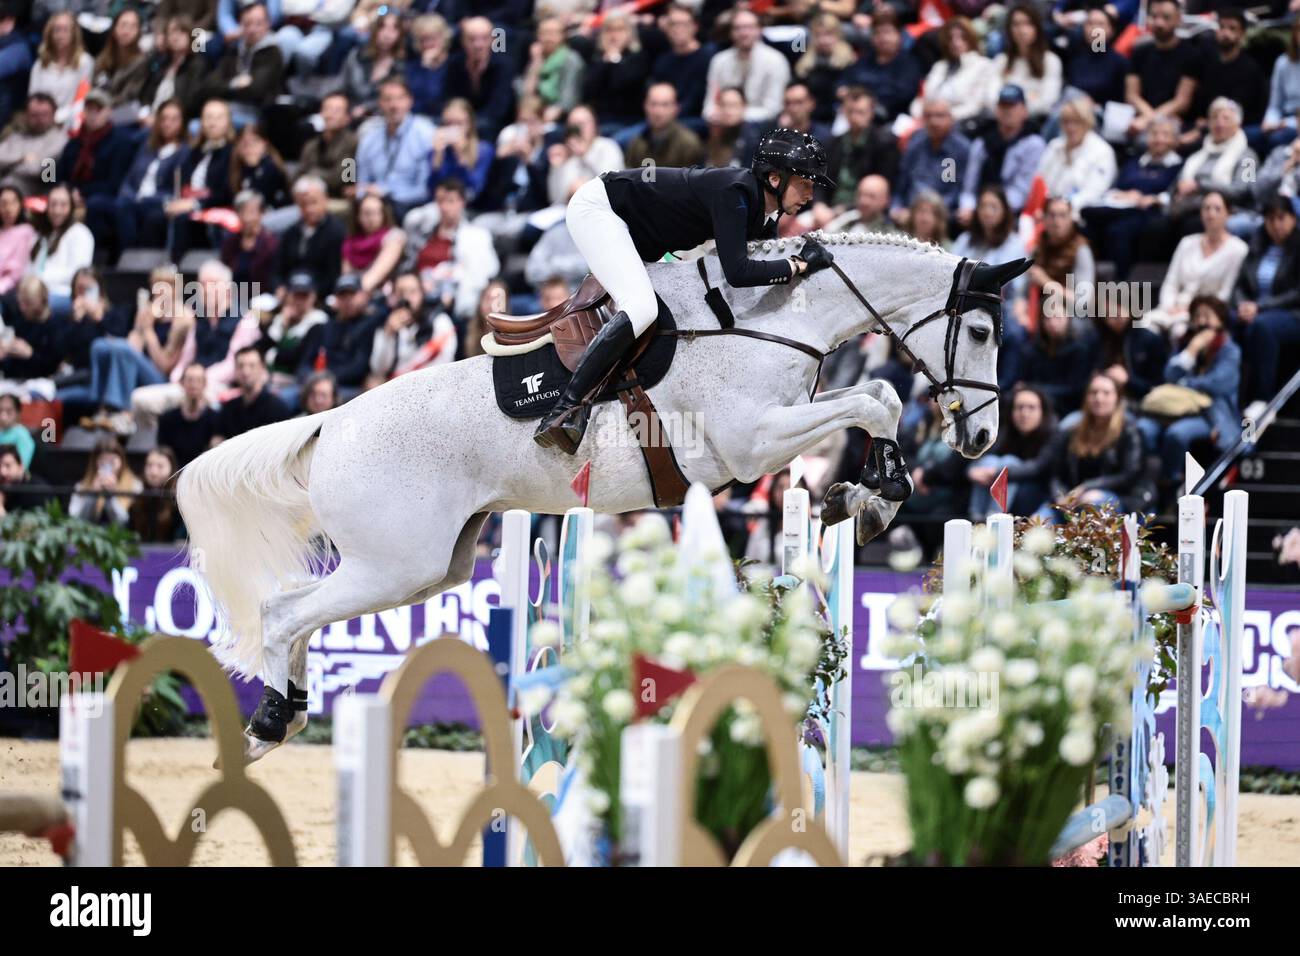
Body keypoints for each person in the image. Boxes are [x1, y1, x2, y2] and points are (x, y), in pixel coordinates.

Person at [532, 128, 837, 454]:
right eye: (805, 183)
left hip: (636, 230)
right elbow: (739, 273)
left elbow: (763, 265)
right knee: (641, 308)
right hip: (600, 210)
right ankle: (564, 410)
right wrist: (798, 265)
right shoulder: (735, 194)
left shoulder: (762, 209)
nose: (810, 194)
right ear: (775, 179)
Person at [1135, 296, 1240, 493]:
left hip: (1209, 413)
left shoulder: (1229, 350)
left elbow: (1219, 384)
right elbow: (1169, 375)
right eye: (1197, 316)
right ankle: (1141, 484)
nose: (1201, 321)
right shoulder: (1186, 344)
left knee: (1177, 434)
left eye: (1207, 316)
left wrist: (1185, 383)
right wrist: (1191, 351)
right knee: (1142, 428)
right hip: (1172, 410)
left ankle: (1171, 483)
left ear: (1221, 319)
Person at [1081, 115, 1183, 278]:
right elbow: (1115, 188)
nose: (1159, 139)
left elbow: (1176, 195)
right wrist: (1124, 194)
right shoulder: (1133, 162)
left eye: (1165, 134)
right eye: (1154, 134)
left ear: (1175, 140)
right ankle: (1084, 279)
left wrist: (1151, 198)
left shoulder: (1179, 166)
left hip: (1149, 212)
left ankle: (1120, 285)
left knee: (1118, 231)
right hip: (1121, 207)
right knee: (1086, 218)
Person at [1040, 372, 1147, 519]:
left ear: (1117, 398)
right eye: (1093, 392)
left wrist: (1087, 487)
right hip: (1071, 499)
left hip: (1116, 499)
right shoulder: (1072, 431)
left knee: (1090, 501)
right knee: (1036, 523)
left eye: (1106, 393)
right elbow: (1056, 474)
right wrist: (1060, 496)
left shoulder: (1130, 431)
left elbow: (1129, 475)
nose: (1099, 398)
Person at [1144, 190, 1248, 340]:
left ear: (1228, 214)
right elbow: (1171, 282)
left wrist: (1193, 310)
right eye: (1206, 208)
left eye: (1217, 209)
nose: (1210, 214)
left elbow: (1226, 293)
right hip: (1174, 307)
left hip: (1206, 314)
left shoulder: (1238, 249)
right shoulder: (1187, 242)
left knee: (1180, 331)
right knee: (1143, 326)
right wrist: (1169, 306)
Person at [1236, 196, 1300, 419]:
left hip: (1291, 314)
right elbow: (1240, 284)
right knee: (1223, 321)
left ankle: (1263, 399)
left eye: (1281, 218)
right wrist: (1242, 305)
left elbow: (1297, 293)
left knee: (1262, 327)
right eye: (1270, 219)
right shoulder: (1258, 245)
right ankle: (1227, 398)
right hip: (1255, 312)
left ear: (1293, 219)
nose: (1276, 224)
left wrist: (1260, 306)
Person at [958, 84, 1045, 226]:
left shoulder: (1034, 144)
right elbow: (969, 187)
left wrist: (990, 209)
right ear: (997, 110)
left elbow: (1022, 191)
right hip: (978, 210)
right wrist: (968, 208)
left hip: (1013, 213)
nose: (1007, 111)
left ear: (1024, 110)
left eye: (1012, 106)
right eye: (1003, 106)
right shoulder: (981, 142)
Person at [966, 384, 1057, 519]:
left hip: (1038, 490)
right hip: (1005, 483)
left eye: (1031, 408)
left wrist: (997, 473)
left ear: (1042, 411)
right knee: (989, 461)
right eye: (1019, 407)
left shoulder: (1054, 434)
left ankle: (994, 519)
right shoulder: (1008, 431)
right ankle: (977, 518)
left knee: (1009, 462)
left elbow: (1038, 468)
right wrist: (973, 470)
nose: (1024, 413)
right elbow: (986, 456)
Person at [812, 86, 898, 223]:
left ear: (871, 113)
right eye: (850, 111)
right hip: (828, 209)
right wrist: (819, 204)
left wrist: (843, 209)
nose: (854, 117)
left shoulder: (884, 144)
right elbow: (820, 181)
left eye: (860, 112)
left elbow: (882, 190)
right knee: (797, 228)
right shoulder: (833, 143)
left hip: (862, 211)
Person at [355, 78, 435, 221]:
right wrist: (362, 192)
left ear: (410, 101)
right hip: (375, 204)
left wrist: (387, 193)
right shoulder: (369, 136)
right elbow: (360, 181)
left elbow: (425, 189)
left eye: (400, 98)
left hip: (411, 203)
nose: (394, 105)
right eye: (387, 99)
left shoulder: (426, 133)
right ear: (380, 103)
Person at [367, 270, 457, 385]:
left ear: (422, 293)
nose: (407, 298)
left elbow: (445, 363)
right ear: (393, 297)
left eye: (412, 292)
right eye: (401, 292)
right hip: (395, 387)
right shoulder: (386, 323)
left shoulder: (439, 321)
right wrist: (388, 334)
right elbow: (378, 369)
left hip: (431, 384)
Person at [701, 8, 789, 125]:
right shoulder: (719, 60)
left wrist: (737, 115)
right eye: (738, 28)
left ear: (759, 30)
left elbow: (773, 109)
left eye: (749, 27)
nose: (743, 33)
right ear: (730, 32)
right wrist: (714, 115)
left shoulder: (776, 60)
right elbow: (709, 104)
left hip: (761, 125)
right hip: (723, 123)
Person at [1036, 95, 1116, 213]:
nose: (1071, 127)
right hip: (1046, 209)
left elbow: (1093, 193)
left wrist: (1062, 207)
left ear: (1088, 122)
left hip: (1079, 214)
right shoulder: (1055, 146)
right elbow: (1039, 180)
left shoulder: (1103, 152)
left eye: (1077, 122)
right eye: (1066, 122)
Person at [891, 98, 969, 219]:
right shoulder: (915, 142)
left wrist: (928, 212)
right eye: (928, 116)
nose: (934, 121)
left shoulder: (960, 149)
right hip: (910, 213)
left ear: (951, 118)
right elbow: (901, 185)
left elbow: (955, 193)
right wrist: (896, 208)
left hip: (942, 216)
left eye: (940, 116)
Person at [911, 17, 997, 124]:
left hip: (958, 123)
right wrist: (921, 114)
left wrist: (941, 117)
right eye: (951, 38)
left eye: (962, 37)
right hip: (926, 120)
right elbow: (922, 99)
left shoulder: (984, 65)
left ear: (971, 39)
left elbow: (975, 106)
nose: (955, 43)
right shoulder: (939, 66)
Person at [844, 7, 921, 121]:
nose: (883, 38)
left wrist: (868, 98)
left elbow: (903, 95)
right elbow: (845, 81)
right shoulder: (865, 60)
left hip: (891, 118)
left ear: (899, 36)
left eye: (887, 32)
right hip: (856, 113)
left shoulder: (908, 63)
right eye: (877, 33)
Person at [28, 184, 94, 317]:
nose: (57, 211)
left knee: (34, 304)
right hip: (35, 291)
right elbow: (30, 268)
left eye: (63, 205)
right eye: (53, 205)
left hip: (64, 294)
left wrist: (40, 282)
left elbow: (78, 275)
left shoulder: (80, 233)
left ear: (71, 207)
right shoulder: (43, 235)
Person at [275, 175, 345, 298]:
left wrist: (308, 296)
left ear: (325, 200)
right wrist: (280, 287)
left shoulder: (336, 232)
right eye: (303, 204)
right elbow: (277, 269)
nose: (309, 209)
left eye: (313, 202)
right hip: (290, 293)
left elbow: (333, 275)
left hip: (320, 296)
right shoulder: (290, 232)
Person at [581, 9, 649, 134]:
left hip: (628, 120)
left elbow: (620, 83)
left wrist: (615, 59)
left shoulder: (638, 58)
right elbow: (588, 90)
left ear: (630, 33)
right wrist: (605, 62)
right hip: (599, 119)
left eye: (619, 29)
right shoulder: (597, 59)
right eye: (609, 30)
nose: (614, 35)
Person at [650, 4, 712, 123]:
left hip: (695, 119)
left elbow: (696, 100)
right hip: (662, 118)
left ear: (695, 27)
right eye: (673, 24)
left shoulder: (707, 59)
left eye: (683, 24)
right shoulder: (662, 61)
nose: (677, 29)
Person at [28, 11, 93, 126]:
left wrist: (59, 117)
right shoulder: (40, 63)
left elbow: (82, 101)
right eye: (57, 30)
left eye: (65, 30)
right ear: (50, 34)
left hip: (69, 122)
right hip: (41, 121)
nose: (60, 35)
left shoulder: (85, 62)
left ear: (74, 34)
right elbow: (33, 98)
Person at [213, 346, 291, 440]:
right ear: (235, 370)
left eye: (252, 366)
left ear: (262, 368)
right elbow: (217, 439)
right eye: (240, 366)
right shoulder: (229, 408)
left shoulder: (277, 409)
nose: (245, 372)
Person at [624, 83, 706, 171]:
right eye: (653, 104)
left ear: (676, 108)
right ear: (645, 106)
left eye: (665, 105)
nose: (658, 111)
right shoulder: (637, 143)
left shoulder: (689, 144)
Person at [428, 98, 493, 206]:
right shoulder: (437, 150)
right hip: (439, 205)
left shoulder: (483, 150)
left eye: (459, 123)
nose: (453, 128)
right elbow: (431, 190)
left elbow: (475, 189)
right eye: (448, 123)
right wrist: (437, 157)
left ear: (470, 124)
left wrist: (461, 155)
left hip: (468, 205)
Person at [0, 93, 68, 197]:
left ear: (54, 114)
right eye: (34, 115)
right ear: (26, 115)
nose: (39, 119)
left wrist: (9, 164)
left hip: (35, 190)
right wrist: (21, 158)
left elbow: (41, 172)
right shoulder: (16, 136)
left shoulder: (60, 139)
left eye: (44, 114)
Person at [69, 435, 142, 526]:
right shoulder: (81, 486)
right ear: (95, 462)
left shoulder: (135, 485)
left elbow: (123, 523)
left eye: (112, 462)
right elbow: (75, 520)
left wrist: (110, 497)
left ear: (122, 461)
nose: (107, 467)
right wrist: (93, 494)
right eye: (102, 461)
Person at [156, 362, 218, 467]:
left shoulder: (215, 419)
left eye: (198, 380)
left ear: (205, 384)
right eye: (190, 380)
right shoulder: (167, 419)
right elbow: (163, 452)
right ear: (181, 383)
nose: (194, 385)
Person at [221, 190, 278, 289]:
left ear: (261, 213)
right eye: (242, 212)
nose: (246, 218)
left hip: (261, 298)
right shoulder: (230, 243)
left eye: (251, 212)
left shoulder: (271, 244)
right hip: (233, 296)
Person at [128, 446, 181, 542]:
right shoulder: (137, 502)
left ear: (172, 469)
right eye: (149, 465)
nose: (153, 472)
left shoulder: (179, 504)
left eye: (160, 466)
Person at [0, 184, 35, 295]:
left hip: (9, 289)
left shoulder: (25, 231)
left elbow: (16, 274)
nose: (9, 208)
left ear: (20, 205)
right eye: (4, 203)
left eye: (13, 202)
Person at [0, 442, 48, 516]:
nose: (2, 472)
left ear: (20, 466)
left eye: (8, 466)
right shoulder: (4, 488)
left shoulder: (36, 492)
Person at [0, 390, 33, 467]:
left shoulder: (22, 435)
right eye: (0, 410)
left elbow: (22, 466)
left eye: (9, 411)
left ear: (18, 413)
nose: (3, 416)